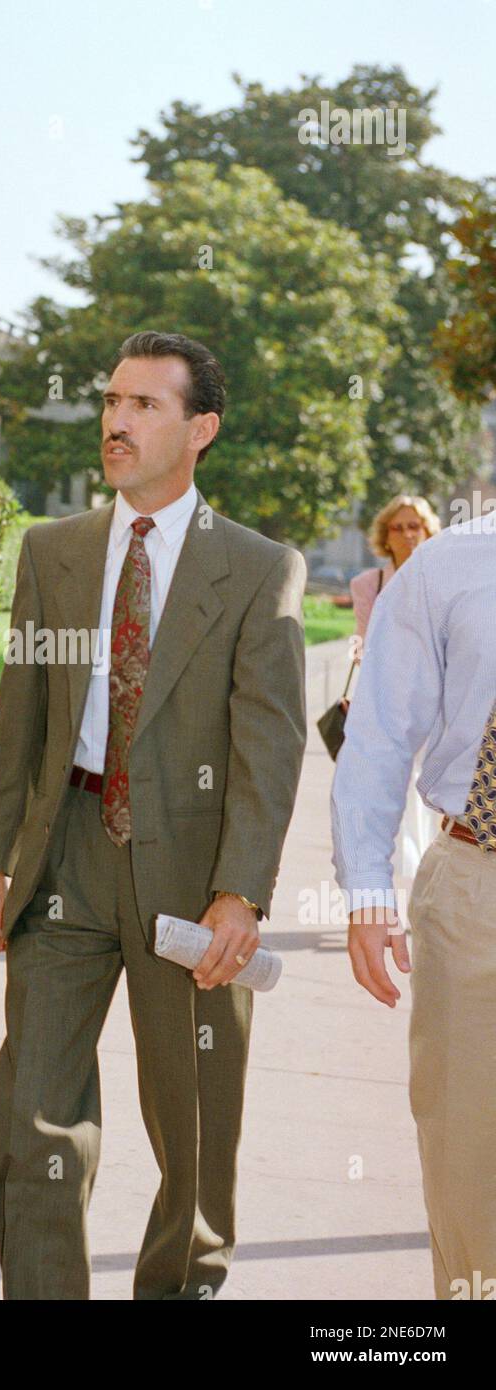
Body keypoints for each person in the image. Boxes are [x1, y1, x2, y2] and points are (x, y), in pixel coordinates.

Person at [0, 330, 307, 1300]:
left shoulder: (257, 569)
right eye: (114, 401)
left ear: (201, 428)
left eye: (145, 405)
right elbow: (19, 719)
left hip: (194, 876)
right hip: (65, 854)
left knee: (193, 1137)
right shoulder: (54, 552)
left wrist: (241, 891)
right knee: (31, 1112)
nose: (118, 421)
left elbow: (268, 751)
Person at [331, 507, 496, 1300]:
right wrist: (368, 890)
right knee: (469, 1159)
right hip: (475, 889)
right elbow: (379, 734)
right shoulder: (447, 567)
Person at [349, 495, 441, 878]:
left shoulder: (443, 578)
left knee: (432, 794)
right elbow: (368, 645)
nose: (406, 534)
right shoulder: (368, 584)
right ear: (385, 535)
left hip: (438, 703)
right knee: (398, 793)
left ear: (427, 530)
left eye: (413, 526)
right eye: (397, 527)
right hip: (389, 705)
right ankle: (404, 879)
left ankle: (427, 873)